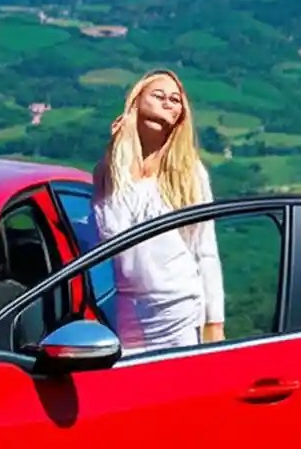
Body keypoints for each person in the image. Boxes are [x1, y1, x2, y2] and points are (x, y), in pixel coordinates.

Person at [91, 68, 225, 351]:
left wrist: (215, 323)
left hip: (180, 307)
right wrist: (115, 153)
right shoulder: (108, 172)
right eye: (159, 95)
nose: (168, 102)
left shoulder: (189, 173)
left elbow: (205, 250)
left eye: (176, 100)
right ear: (136, 101)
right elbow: (110, 234)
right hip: (130, 306)